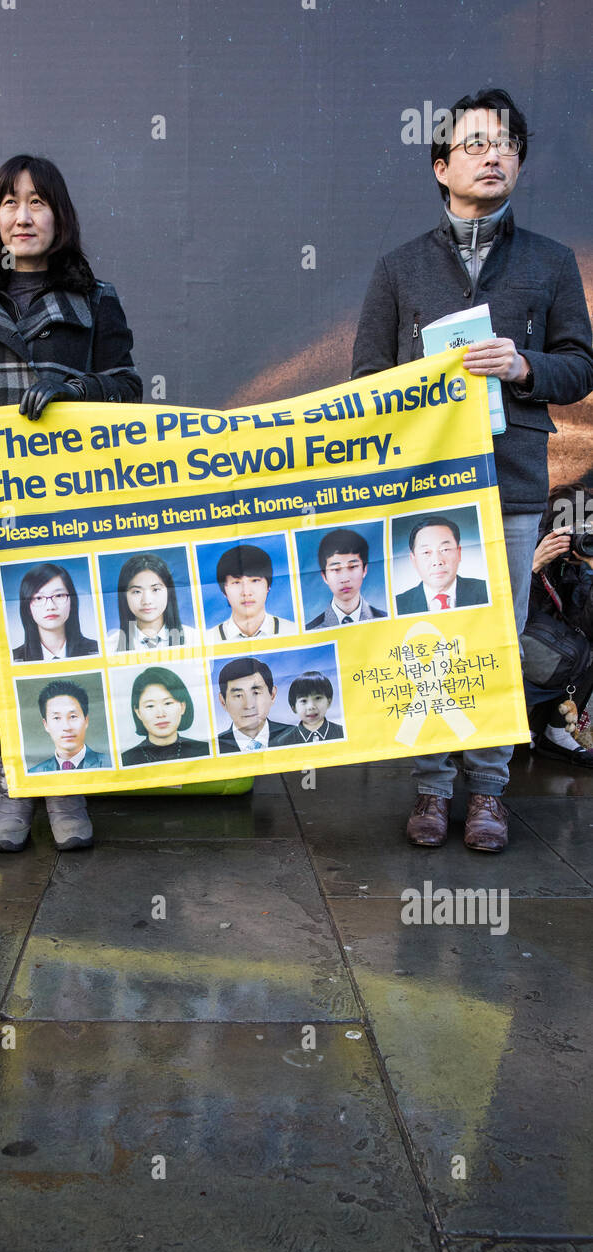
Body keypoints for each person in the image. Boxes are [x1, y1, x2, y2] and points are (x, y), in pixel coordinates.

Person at [352, 87, 593, 851]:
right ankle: (429, 789)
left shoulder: (550, 263)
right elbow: (364, 385)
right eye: (477, 144)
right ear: (440, 164)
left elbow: (580, 367)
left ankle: (488, 791)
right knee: (430, 633)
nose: (495, 156)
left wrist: (523, 366)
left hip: (514, 480)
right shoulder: (398, 269)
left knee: (498, 637)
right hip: (423, 484)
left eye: (508, 146)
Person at [0, 154, 141, 852]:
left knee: (64, 639)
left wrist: (78, 394)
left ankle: (68, 787)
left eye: (37, 202)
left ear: (59, 215)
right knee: (3, 647)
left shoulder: (96, 299)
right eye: (9, 203)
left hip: (68, 503)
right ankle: (15, 784)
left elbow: (128, 386)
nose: (23, 216)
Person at [525, 486, 593, 767]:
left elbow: (588, 625)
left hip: (558, 654)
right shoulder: (523, 546)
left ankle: (555, 730)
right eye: (570, 529)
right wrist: (531, 565)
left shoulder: (581, 563)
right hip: (521, 649)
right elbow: (494, 611)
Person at [395, 515, 488, 614]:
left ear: (459, 552)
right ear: (413, 560)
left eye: (445, 549)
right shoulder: (398, 605)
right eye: (426, 552)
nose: (437, 561)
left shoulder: (486, 591)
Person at [106, 552, 199, 651]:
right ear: (124, 596)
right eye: (137, 591)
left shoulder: (194, 639)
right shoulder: (110, 647)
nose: (146, 601)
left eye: (155, 589)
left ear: (168, 591)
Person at [120, 667, 210, 764]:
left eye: (168, 703)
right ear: (138, 713)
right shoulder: (125, 760)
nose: (160, 714)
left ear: (182, 707)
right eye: (150, 706)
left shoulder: (206, 751)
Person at [11, 562, 98, 662]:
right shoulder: (14, 658)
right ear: (27, 608)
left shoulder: (96, 650)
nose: (50, 606)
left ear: (72, 602)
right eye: (39, 598)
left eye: (59, 595)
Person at [211, 543, 296, 641]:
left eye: (255, 580)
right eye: (236, 582)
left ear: (268, 586)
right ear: (224, 590)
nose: (246, 592)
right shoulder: (209, 639)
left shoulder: (292, 631)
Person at [306, 527, 387, 628]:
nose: (345, 579)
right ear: (324, 576)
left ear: (364, 570)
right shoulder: (311, 630)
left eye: (352, 567)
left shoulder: (386, 620)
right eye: (336, 569)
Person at [28, 680, 109, 776]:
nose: (66, 727)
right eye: (57, 718)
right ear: (46, 725)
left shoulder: (110, 764)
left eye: (73, 716)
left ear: (86, 720)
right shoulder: (34, 774)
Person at [215, 657, 291, 753]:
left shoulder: (296, 736)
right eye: (238, 695)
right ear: (223, 702)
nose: (249, 705)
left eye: (256, 693)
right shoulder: (214, 747)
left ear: (272, 695)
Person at [275, 671, 344, 744]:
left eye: (317, 698)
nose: (311, 707)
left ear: (329, 702)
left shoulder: (342, 732)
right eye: (304, 701)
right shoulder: (284, 742)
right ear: (293, 708)